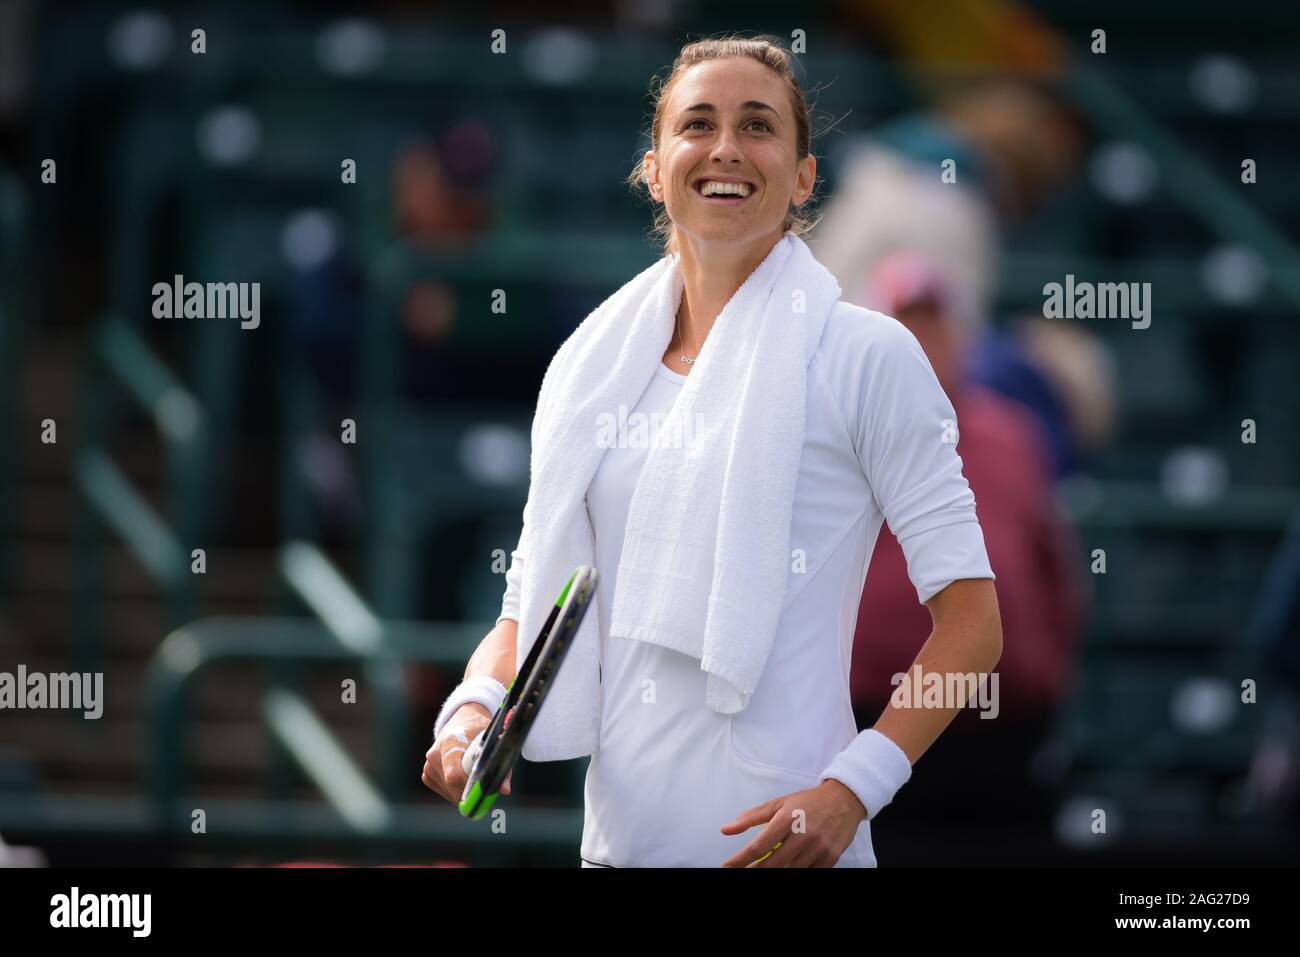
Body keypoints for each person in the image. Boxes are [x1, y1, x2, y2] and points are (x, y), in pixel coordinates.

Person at [421, 34, 1002, 868]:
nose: (726, 147)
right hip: (614, 850)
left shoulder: (870, 357)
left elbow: (974, 626)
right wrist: (473, 708)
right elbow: (531, 607)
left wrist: (852, 788)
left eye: (758, 125)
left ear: (803, 177)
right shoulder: (590, 367)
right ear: (654, 169)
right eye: (698, 123)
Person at [848, 251, 1085, 861]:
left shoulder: (1011, 435)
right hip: (873, 722)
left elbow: (1052, 568)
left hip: (999, 729)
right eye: (905, 325)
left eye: (934, 323)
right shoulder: (838, 431)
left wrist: (1046, 674)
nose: (922, 341)